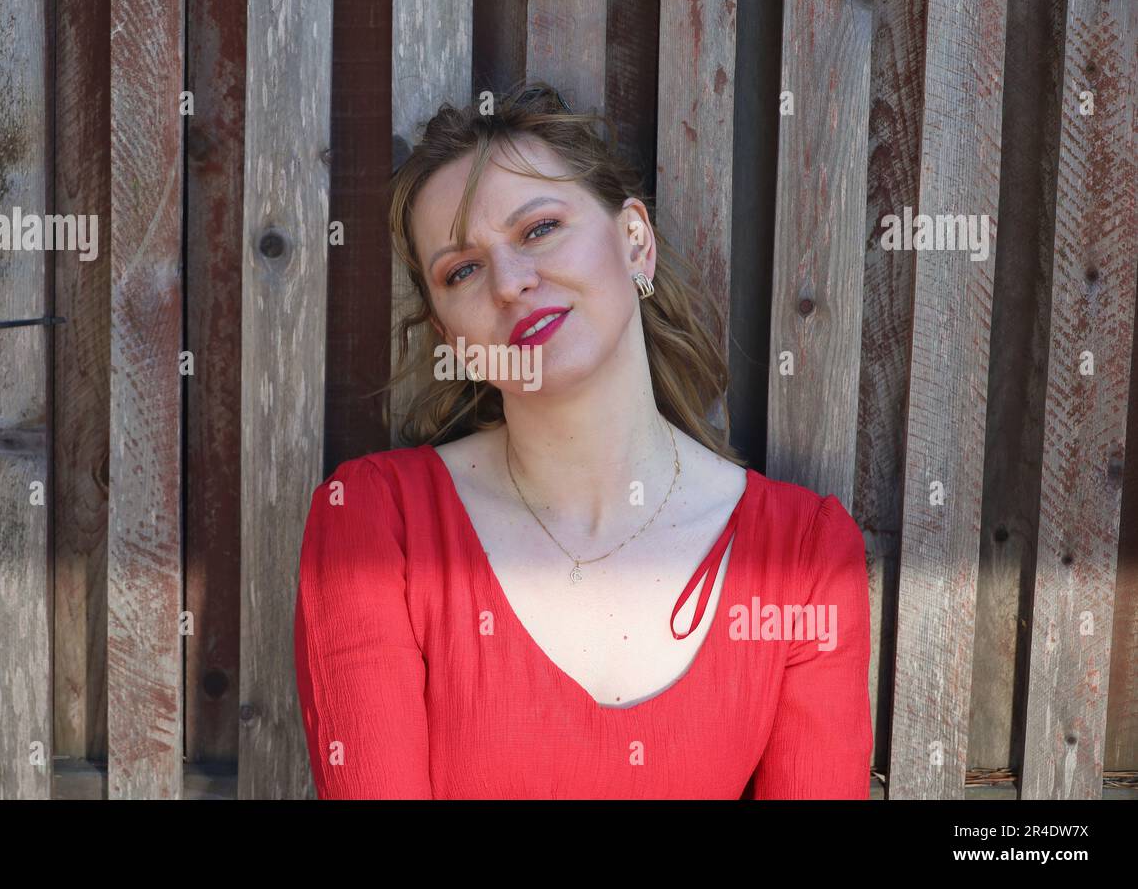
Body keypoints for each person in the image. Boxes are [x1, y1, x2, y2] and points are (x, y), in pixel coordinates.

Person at [294, 81, 871, 799]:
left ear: (635, 241)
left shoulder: (802, 556)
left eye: (538, 229)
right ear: (452, 337)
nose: (510, 282)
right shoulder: (377, 526)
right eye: (462, 270)